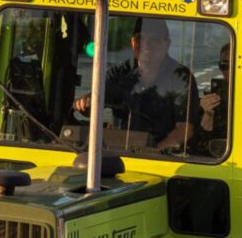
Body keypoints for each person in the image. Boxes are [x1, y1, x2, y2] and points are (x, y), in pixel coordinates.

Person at [73, 19, 199, 153]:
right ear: (132, 43)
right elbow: (98, 102)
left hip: (162, 157)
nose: (146, 45)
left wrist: (153, 151)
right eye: (140, 39)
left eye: (154, 40)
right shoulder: (118, 73)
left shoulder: (181, 77)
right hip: (119, 153)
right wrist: (86, 103)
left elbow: (185, 129)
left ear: (166, 44)